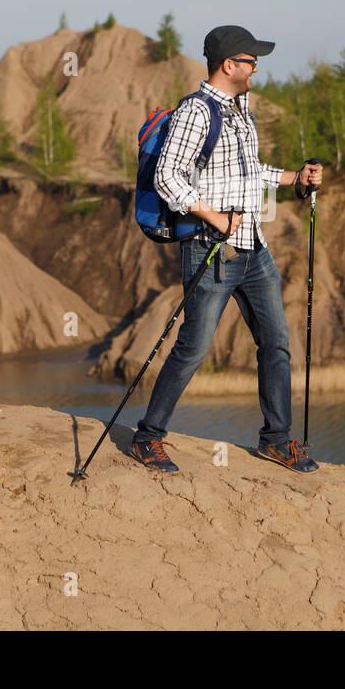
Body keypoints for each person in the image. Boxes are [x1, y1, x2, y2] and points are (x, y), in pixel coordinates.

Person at [130, 25, 324, 474]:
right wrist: (214, 217)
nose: (257, 68)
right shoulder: (195, 112)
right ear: (229, 64)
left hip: (253, 248)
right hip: (211, 249)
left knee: (275, 343)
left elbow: (249, 171)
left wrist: (295, 178)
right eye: (251, 61)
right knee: (193, 349)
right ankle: (147, 436)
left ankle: (276, 440)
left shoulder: (240, 110)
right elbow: (166, 176)